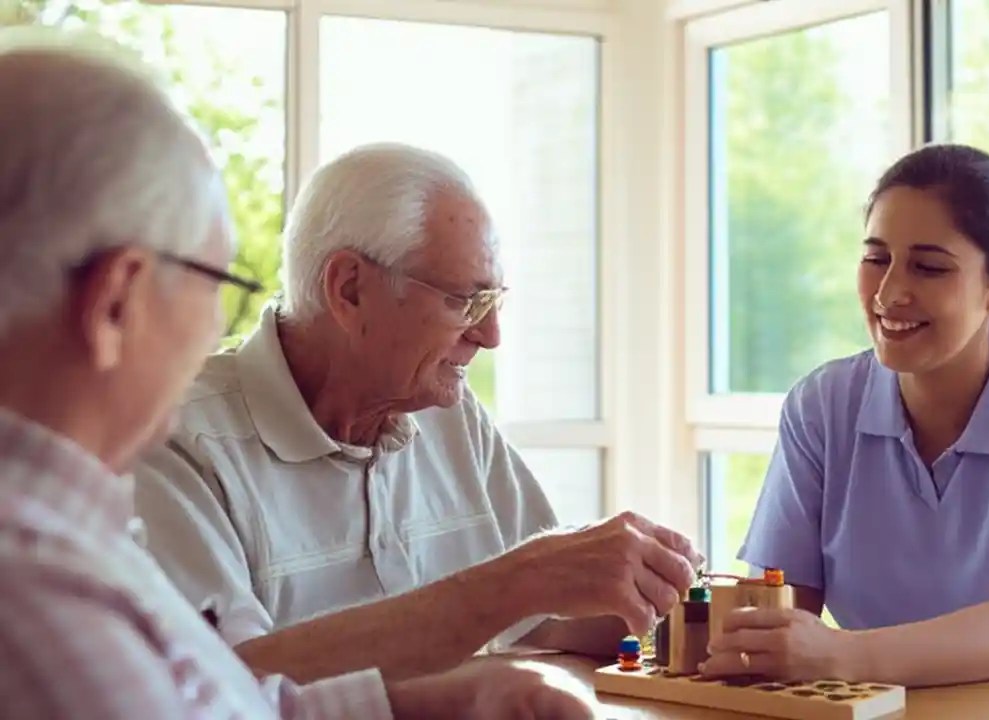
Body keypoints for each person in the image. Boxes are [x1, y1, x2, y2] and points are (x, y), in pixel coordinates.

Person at [0, 27, 599, 719]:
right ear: (116, 302)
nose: (217, 320)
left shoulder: (77, 532)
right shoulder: (41, 588)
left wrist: (442, 703)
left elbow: (222, 701)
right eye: (217, 280)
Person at [132, 140, 701, 683]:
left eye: (494, 301)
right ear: (349, 289)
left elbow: (547, 610)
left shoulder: (445, 414)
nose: (491, 335)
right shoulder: (173, 437)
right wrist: (513, 584)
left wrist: (692, 611)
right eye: (465, 301)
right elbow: (220, 688)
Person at [699, 144, 989, 687]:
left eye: (929, 268)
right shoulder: (822, 407)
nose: (889, 293)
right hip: (898, 702)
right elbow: (781, 608)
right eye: (876, 258)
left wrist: (846, 658)